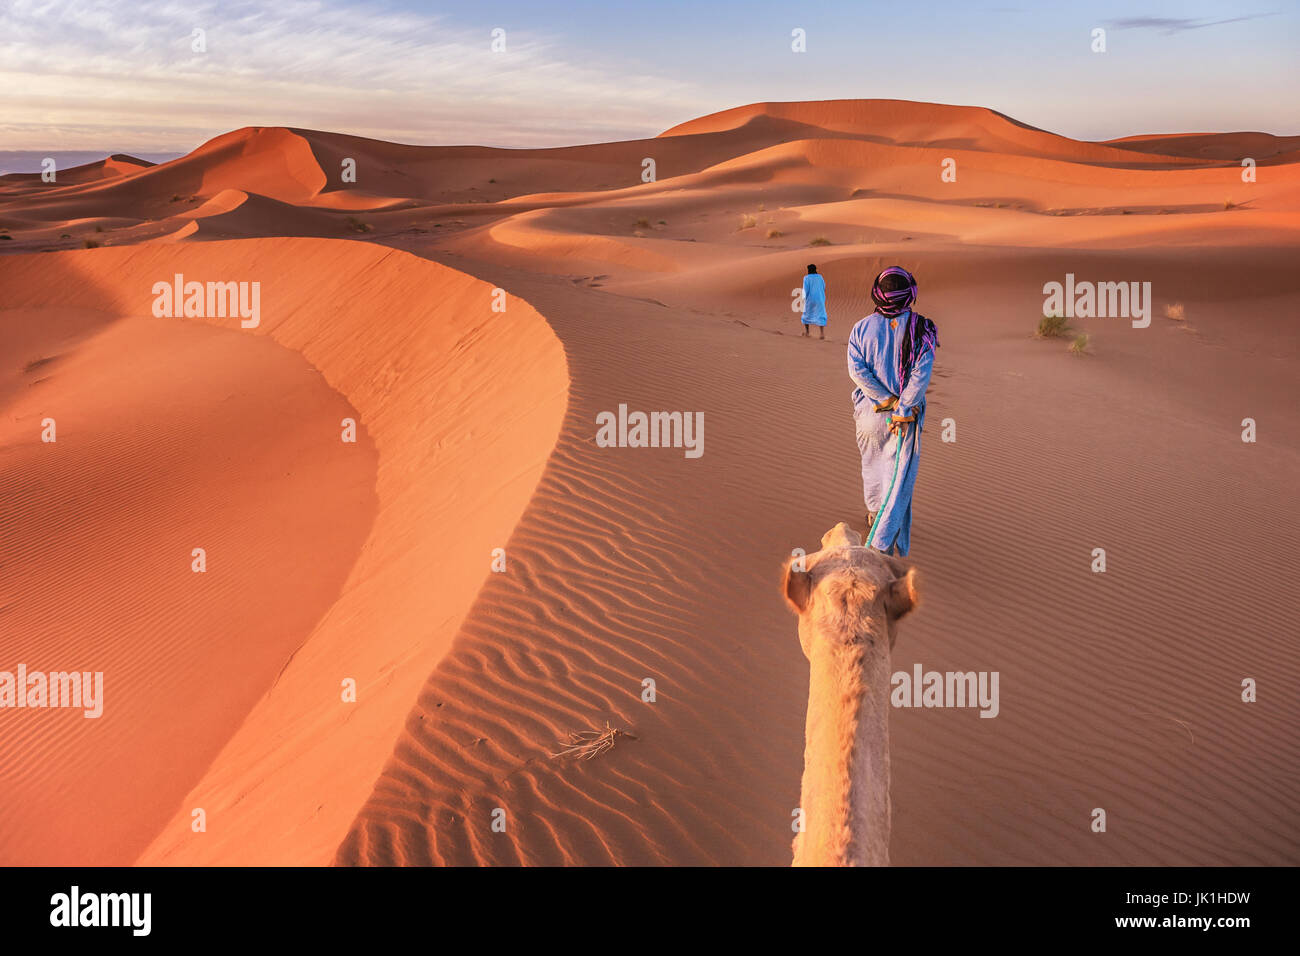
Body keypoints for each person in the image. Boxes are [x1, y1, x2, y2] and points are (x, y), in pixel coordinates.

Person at [846, 266, 939, 556]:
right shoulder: (922, 328)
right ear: (910, 293)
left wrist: (883, 399)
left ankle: (875, 516)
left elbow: (856, 370)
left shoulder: (860, 328)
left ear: (878, 292)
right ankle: (881, 542)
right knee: (897, 477)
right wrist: (901, 408)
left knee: (871, 466)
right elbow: (920, 376)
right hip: (904, 418)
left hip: (869, 414)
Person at [801, 264, 827, 339]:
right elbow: (824, 287)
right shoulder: (820, 277)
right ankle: (822, 334)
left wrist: (803, 299)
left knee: (806, 315)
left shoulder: (806, 278)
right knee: (821, 315)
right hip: (820, 298)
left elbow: (805, 290)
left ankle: (807, 332)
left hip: (810, 299)